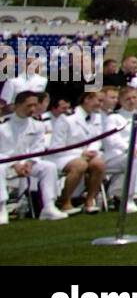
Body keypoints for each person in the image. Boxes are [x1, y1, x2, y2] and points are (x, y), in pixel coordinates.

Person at [0, 91, 68, 220]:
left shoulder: (38, 125)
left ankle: (49, 206)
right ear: (17, 106)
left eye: (34, 105)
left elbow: (38, 148)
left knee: (49, 167)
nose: (32, 109)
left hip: (27, 164)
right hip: (6, 163)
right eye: (28, 105)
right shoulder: (3, 125)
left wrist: (30, 163)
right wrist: (15, 164)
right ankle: (1, 208)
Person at [48, 88, 108, 214]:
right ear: (87, 99)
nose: (101, 104)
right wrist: (80, 154)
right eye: (99, 100)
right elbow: (56, 147)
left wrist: (92, 151)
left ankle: (89, 201)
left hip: (85, 155)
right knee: (80, 164)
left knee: (99, 164)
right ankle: (65, 202)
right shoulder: (66, 118)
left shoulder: (97, 117)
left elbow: (97, 139)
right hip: (62, 156)